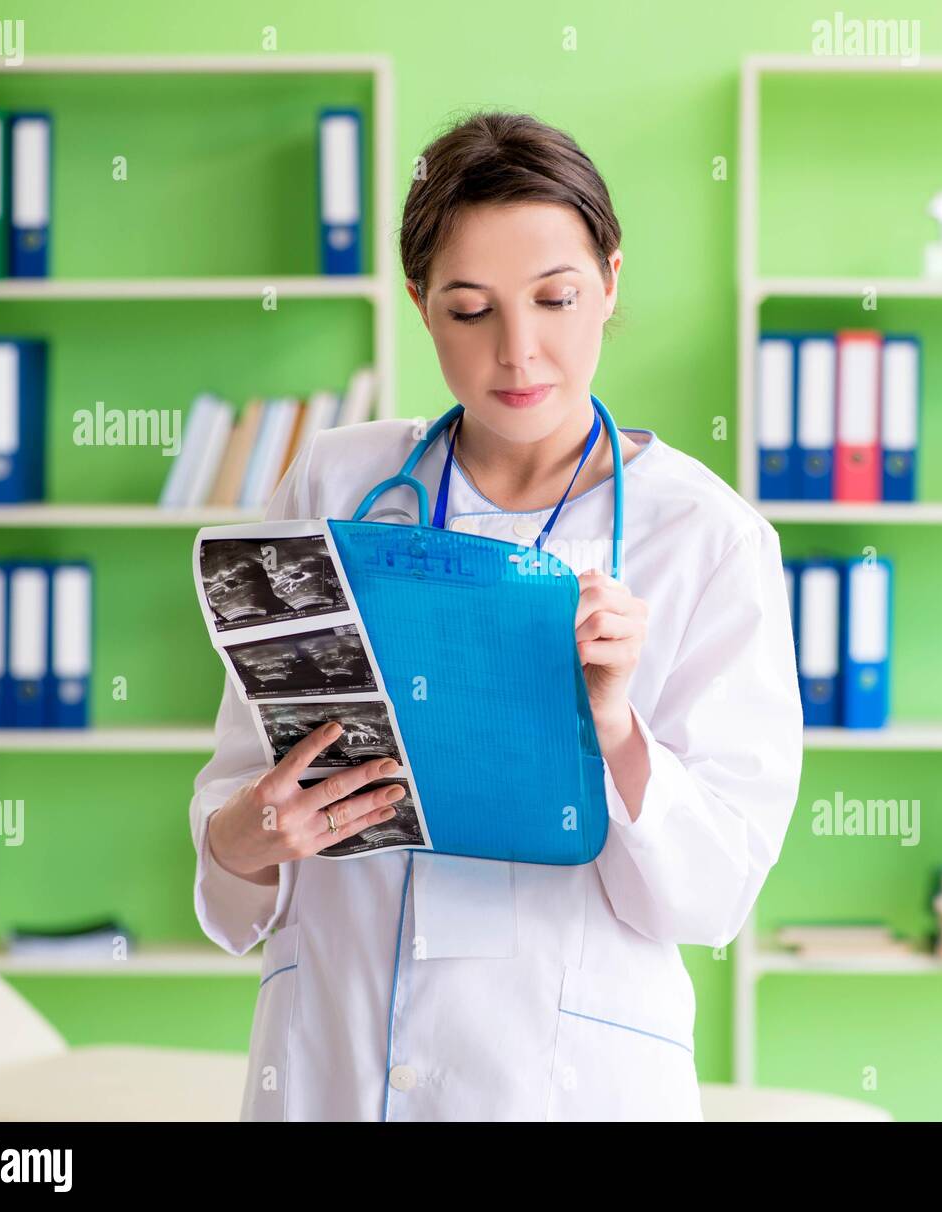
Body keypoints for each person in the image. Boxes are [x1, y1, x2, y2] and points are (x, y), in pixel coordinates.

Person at [189, 110, 803, 1122]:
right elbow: (232, 815)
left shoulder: (709, 537)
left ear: (610, 280)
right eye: (470, 310)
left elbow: (714, 897)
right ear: (421, 306)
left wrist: (614, 727)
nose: (519, 352)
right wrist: (254, 835)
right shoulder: (335, 481)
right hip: (330, 1064)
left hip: (562, 1082)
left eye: (556, 298)